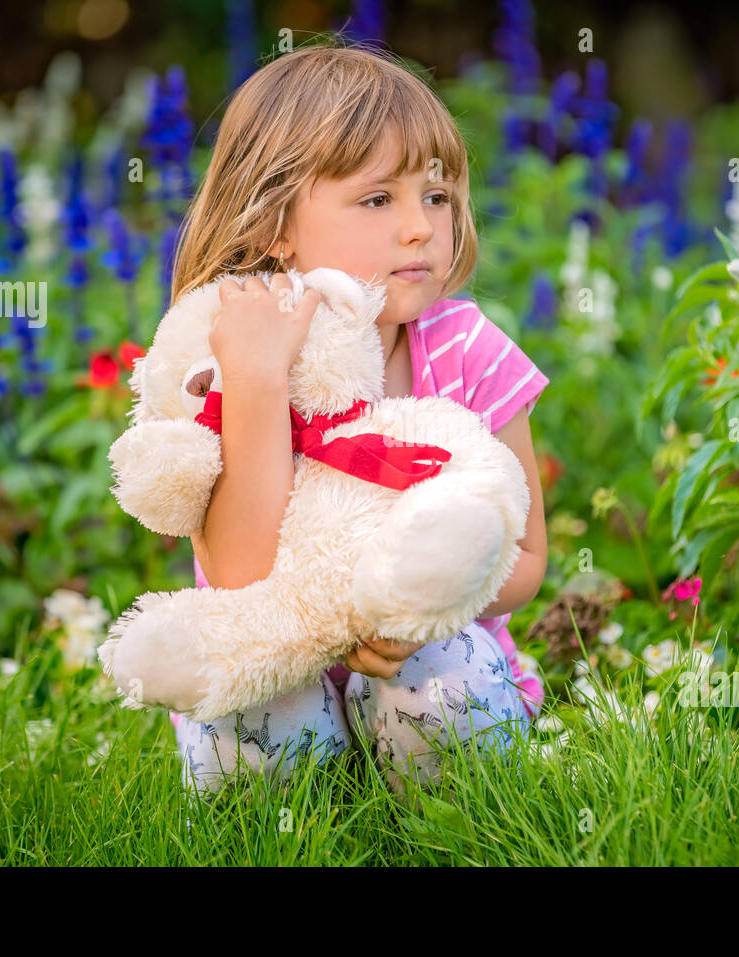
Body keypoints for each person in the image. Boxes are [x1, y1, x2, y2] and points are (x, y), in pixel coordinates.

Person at [165, 40, 550, 799]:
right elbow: (239, 576)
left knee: (443, 671)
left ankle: (451, 813)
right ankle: (302, 812)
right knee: (251, 699)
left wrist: (420, 604)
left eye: (436, 197)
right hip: (284, 662)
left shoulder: (469, 351)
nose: (420, 227)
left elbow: (528, 558)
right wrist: (256, 381)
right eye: (379, 199)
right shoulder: (221, 351)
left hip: (423, 661)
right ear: (276, 222)